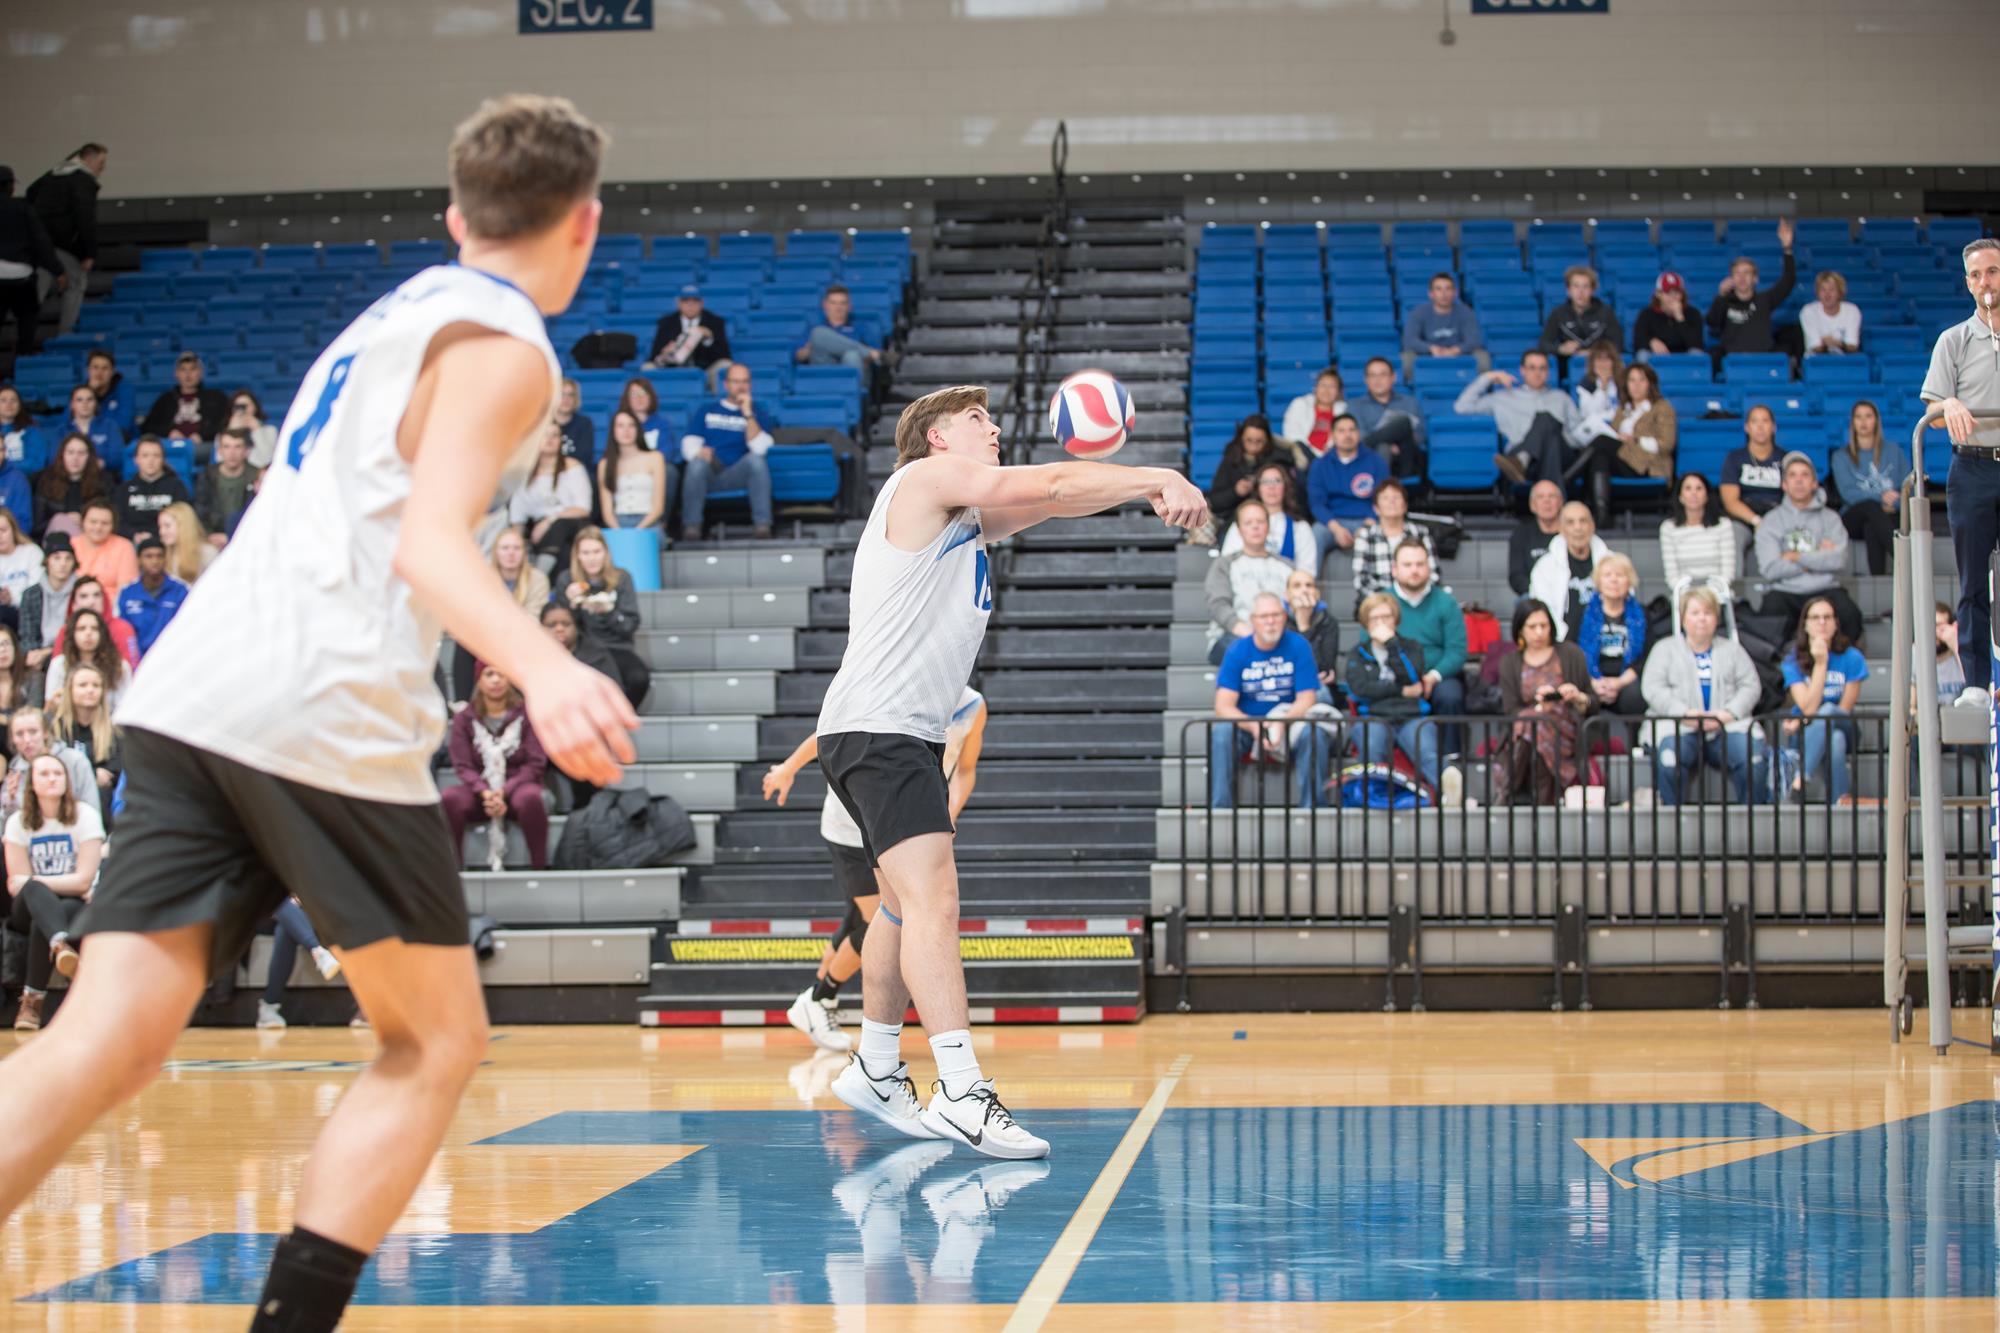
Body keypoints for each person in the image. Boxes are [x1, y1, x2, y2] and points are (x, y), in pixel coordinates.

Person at [0, 97, 639, 1333]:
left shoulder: (395, 311)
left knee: (108, 1043)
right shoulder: (505, 343)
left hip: (196, 692)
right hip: (321, 703)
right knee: (434, 1043)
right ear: (586, 224)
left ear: (457, 217)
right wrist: (546, 667)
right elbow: (427, 546)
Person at [815, 382, 1205, 1160]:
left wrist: (1128, 492)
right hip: (882, 728)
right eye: (977, 420)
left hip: (893, 731)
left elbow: (1057, 501)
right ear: (936, 440)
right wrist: (1159, 475)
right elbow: (1054, 481)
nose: (994, 429)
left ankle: (880, 1066)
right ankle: (961, 1090)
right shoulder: (923, 482)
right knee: (935, 900)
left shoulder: (962, 522)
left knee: (897, 907)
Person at [765, 686, 987, 1054]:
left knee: (862, 919)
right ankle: (820, 998)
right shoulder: (901, 681)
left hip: (905, 824)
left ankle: (818, 1003)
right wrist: (788, 767)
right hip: (849, 826)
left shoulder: (971, 706)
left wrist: (948, 817)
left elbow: (966, 771)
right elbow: (827, 731)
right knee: (882, 920)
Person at [1926, 237, 2000, 698]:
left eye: (1992, 271)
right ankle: (1976, 681)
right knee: (1973, 579)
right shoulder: (1953, 339)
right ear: (1967, 282)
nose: (1984, 282)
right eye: (1976, 275)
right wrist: (1949, 401)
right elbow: (1934, 409)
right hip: (1972, 469)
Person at [1642, 586, 1769, 805]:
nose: (1702, 618)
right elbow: (1652, 688)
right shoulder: (1664, 649)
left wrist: (1727, 714)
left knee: (1754, 759)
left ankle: (1752, 829)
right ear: (1683, 618)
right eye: (1695, 613)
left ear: (1716, 619)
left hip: (1728, 727)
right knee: (1669, 760)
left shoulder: (1734, 650)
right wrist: (1685, 713)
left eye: (1708, 613)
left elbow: (1751, 686)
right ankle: (1674, 828)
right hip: (1679, 727)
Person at [1207, 591, 1333, 810]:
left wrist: (1281, 722)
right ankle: (1221, 812)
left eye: (1276, 615)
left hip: (1291, 720)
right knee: (1221, 733)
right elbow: (1223, 706)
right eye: (1264, 616)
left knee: (1314, 734)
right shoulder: (1237, 650)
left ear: (1285, 617)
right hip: (1249, 724)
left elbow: (1307, 699)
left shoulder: (1299, 646)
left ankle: (1313, 811)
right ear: (1253, 620)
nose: (1270, 621)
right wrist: (1254, 726)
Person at [5, 753, 105, 1030]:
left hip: (70, 905)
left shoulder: (85, 815)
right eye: (44, 774)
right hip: (27, 908)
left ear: (67, 781)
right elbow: (17, 886)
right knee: (36, 892)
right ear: (31, 784)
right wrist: (39, 883)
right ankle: (61, 945)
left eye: (58, 774)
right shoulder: (18, 822)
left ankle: (31, 1004)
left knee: (49, 915)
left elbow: (85, 881)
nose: (52, 779)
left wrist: (33, 879)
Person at [443, 663, 550, 871]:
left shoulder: (526, 713)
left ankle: (540, 868)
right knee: (449, 799)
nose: (495, 680)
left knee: (531, 799)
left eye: (501, 674)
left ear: (510, 679)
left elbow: (535, 762)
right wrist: (485, 792)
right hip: (480, 791)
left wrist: (504, 791)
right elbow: (463, 765)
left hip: (517, 787)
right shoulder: (464, 718)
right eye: (489, 674)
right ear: (479, 680)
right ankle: (453, 872)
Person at [1756, 450, 1864, 645]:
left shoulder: (1831, 518)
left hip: (1825, 589)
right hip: (1785, 591)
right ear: (1784, 484)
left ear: (1814, 483)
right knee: (1768, 616)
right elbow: (1770, 569)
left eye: (1805, 475)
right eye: (1792, 475)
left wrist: (1794, 557)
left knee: (1850, 615)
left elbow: (1838, 560)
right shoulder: (1771, 521)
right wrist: (1818, 557)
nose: (1799, 481)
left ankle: (1839, 665)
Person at [1494, 599, 1595, 802]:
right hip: (1527, 731)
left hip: (1565, 727)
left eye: (1544, 625)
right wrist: (1540, 706)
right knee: (1534, 726)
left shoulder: (1570, 653)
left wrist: (1575, 696)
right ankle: (1543, 802)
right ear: (1520, 630)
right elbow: (1511, 709)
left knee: (1535, 726)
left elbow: (1592, 701)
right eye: (1532, 627)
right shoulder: (1510, 662)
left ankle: (1505, 794)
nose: (1539, 632)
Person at [1346, 591, 1441, 794]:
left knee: (1427, 752)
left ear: (1395, 620)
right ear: (1366, 623)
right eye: (1374, 618)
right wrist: (1400, 690)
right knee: (1372, 746)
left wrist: (1392, 645)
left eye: (1386, 617)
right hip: (1373, 716)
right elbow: (1361, 689)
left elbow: (1412, 676)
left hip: (1412, 716)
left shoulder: (1412, 647)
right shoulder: (1357, 653)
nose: (1380, 623)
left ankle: (1451, 796)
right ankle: (1372, 799)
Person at [1778, 596, 1866, 803]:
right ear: (1805, 625)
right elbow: (1807, 706)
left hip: (1843, 724)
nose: (1822, 622)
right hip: (1806, 733)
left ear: (1836, 623)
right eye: (1815, 617)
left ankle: (1801, 777)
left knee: (1829, 712)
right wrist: (1821, 663)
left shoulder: (1852, 657)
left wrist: (1806, 720)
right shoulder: (1792, 660)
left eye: (1828, 617)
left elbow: (1843, 709)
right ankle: (1840, 803)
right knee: (1835, 740)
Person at [1455, 349, 1585, 486]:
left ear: (1548, 371)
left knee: (1546, 420)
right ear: (1522, 370)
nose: (1537, 373)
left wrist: (1556, 436)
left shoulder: (1562, 398)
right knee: (1546, 424)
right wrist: (1489, 377)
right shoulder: (1503, 397)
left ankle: (1522, 460)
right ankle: (1553, 496)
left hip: (1558, 456)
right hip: (1527, 460)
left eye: (1542, 368)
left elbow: (1578, 435)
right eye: (1532, 368)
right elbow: (1462, 407)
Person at [680, 362, 778, 541]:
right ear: (726, 385)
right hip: (709, 472)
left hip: (739, 474)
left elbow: (761, 448)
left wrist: (747, 413)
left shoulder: (758, 412)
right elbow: (688, 446)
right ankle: (692, 526)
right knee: (696, 464)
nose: (741, 386)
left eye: (745, 382)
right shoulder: (707, 410)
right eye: (736, 381)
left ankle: (763, 525)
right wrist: (699, 452)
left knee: (756, 461)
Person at [561, 525, 649, 707]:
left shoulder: (622, 578)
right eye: (586, 552)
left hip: (617, 646)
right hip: (582, 647)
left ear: (606, 552)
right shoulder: (567, 580)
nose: (592, 558)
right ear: (577, 555)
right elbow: (562, 628)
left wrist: (608, 611)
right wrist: (570, 604)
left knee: (638, 679)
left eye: (596, 551)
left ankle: (616, 719)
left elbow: (630, 625)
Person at [25, 144, 104, 340]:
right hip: (65, 243)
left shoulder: (54, 173)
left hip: (41, 241)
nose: (102, 168)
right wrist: (89, 253)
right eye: (101, 163)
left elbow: (30, 191)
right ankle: (65, 335)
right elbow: (86, 218)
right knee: (76, 284)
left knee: (38, 289)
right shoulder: (83, 181)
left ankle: (25, 336)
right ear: (89, 159)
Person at [1204, 499, 1297, 663]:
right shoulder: (1224, 565)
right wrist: (1250, 634)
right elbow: (1218, 605)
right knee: (1243, 652)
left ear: (1268, 527)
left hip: (1277, 635)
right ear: (1239, 530)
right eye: (1248, 523)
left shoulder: (1287, 567)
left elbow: (1296, 608)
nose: (1255, 526)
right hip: (1234, 636)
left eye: (1260, 521)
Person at [1388, 538, 1468, 726]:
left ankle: (1452, 755)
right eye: (1407, 564)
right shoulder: (1382, 603)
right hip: (1394, 678)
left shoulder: (1446, 602)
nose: (1414, 570)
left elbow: (1457, 652)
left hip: (1438, 676)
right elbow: (1368, 648)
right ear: (1394, 569)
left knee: (1451, 696)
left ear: (1429, 568)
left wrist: (1432, 677)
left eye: (1420, 564)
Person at [1828, 400, 1910, 577]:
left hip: (1888, 516)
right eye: (1858, 417)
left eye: (1868, 416)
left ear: (1876, 421)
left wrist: (1893, 505)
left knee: (1872, 525)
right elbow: (1849, 494)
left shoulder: (1894, 451)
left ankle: (1877, 579)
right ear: (1852, 422)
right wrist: (1881, 498)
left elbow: (1907, 489)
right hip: (1852, 518)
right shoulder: (1840, 456)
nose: (1863, 422)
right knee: (1870, 507)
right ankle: (1906, 562)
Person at [1706, 219, 1798, 368]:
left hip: (1763, 359)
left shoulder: (1765, 300)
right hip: (1732, 361)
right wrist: (1721, 296)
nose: (1742, 277)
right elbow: (1712, 322)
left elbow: (1788, 280)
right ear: (1731, 277)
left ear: (1755, 278)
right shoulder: (1724, 300)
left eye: (1747, 273)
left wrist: (1787, 248)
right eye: (1737, 273)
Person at [1574, 554, 1648, 722]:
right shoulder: (1583, 613)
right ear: (1598, 582)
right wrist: (1592, 681)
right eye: (1607, 575)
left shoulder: (1642, 614)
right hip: (1591, 679)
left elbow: (1647, 657)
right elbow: (1572, 651)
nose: (1614, 580)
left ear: (1629, 581)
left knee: (1635, 696)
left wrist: (1619, 683)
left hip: (1627, 680)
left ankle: (1635, 747)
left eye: (1620, 575)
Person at [508, 420, 591, 570]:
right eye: (545, 435)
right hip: (537, 531)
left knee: (560, 526)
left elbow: (583, 508)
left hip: (570, 524)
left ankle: (540, 573)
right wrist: (517, 546)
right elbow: (517, 518)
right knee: (565, 553)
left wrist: (549, 521)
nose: (550, 439)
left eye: (555, 435)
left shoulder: (572, 466)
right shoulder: (525, 472)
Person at [255, 898, 346, 1031]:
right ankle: (318, 951)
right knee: (279, 900)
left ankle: (269, 1006)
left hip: (307, 913)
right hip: (269, 913)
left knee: (285, 929)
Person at [1527, 502, 1613, 642]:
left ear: (1592, 526)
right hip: (1563, 641)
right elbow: (1544, 611)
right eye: (1570, 522)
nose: (1578, 527)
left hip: (1607, 638)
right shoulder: (1544, 567)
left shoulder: (1611, 561)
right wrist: (1563, 642)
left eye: (1583, 521)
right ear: (1561, 528)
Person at [1306, 414, 1388, 554]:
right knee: (1316, 534)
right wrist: (1337, 529)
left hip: (1368, 520)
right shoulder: (1320, 465)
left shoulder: (1376, 461)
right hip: (1333, 522)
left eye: (1352, 430)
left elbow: (1384, 497)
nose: (1347, 435)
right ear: (1332, 435)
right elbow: (1317, 504)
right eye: (1341, 431)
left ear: (1359, 433)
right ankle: (1311, 577)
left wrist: (1367, 526)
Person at [1, 707, 99, 823]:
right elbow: (6, 829)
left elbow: (93, 811)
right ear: (12, 739)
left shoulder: (75, 761)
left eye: (33, 732)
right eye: (19, 734)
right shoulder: (14, 770)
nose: (27, 739)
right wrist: (10, 803)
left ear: (46, 732)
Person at [1348, 479, 1435, 608]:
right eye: (1385, 498)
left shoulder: (1420, 533)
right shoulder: (1365, 536)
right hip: (1378, 604)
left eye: (1396, 497)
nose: (1391, 502)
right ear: (1376, 509)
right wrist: (1388, 602)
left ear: (1405, 506)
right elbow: (1361, 581)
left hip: (1418, 602)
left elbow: (1433, 573)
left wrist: (1411, 597)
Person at [0, 164, 58, 356]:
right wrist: (57, 269)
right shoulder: (22, 208)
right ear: (10, 186)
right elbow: (41, 240)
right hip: (21, 274)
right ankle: (23, 360)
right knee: (27, 319)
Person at [1220, 461, 1317, 575]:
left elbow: (1307, 573)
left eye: (1277, 481)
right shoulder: (1240, 524)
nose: (1272, 487)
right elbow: (1227, 565)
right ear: (1258, 488)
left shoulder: (1300, 527)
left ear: (1285, 487)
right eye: (1266, 482)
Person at [1207, 414, 1297, 524]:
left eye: (1259, 441)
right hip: (1237, 520)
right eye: (1249, 440)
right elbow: (1215, 501)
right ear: (1241, 438)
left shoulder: (1280, 461)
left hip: (1276, 518)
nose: (1253, 446)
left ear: (1268, 441)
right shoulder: (1231, 459)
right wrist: (1236, 492)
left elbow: (1293, 499)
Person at [50, 662, 119, 805]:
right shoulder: (54, 727)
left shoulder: (115, 731)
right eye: (83, 685)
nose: (90, 690)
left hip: (103, 803)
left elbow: (113, 774)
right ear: (70, 690)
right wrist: (93, 775)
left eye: (96, 685)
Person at [1351, 356, 1428, 481]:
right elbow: (1360, 436)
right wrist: (1388, 442)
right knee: (1383, 446)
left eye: (1383, 375)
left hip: (1405, 456)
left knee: (1404, 424)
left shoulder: (1410, 402)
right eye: (1372, 375)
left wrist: (1400, 441)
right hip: (1371, 457)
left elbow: (1420, 434)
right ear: (1366, 380)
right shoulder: (1355, 405)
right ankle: (1383, 488)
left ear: (1393, 377)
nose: (1378, 380)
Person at [1400, 273, 1490, 382]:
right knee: (1406, 358)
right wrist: (1431, 348)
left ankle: (1480, 390)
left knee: (1482, 357)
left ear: (1455, 293)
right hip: (1428, 354)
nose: (1443, 294)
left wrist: (1456, 350)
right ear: (1431, 294)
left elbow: (1474, 340)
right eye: (1438, 289)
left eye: (1448, 289)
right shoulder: (1418, 312)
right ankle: (1414, 389)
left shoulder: (1465, 312)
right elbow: (1409, 341)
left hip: (1458, 354)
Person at [1718, 404, 1785, 548]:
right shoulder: (1734, 458)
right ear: (1746, 427)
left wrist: (1771, 522)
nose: (1760, 427)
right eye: (1754, 421)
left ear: (1774, 427)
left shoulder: (1785, 459)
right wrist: (1756, 521)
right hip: (1744, 519)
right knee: (1732, 537)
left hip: (1778, 517)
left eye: (1765, 421)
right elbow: (1730, 501)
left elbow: (1793, 498)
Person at [598, 406, 672, 534]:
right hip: (618, 523)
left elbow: (658, 508)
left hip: (649, 522)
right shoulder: (604, 464)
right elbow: (607, 512)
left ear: (638, 429)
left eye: (631, 425)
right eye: (620, 426)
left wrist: (637, 532)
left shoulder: (655, 458)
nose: (626, 430)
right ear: (613, 431)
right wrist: (620, 533)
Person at [648, 284, 733, 389]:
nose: (690, 305)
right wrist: (664, 354)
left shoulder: (715, 322)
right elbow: (654, 356)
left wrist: (709, 339)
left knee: (726, 365)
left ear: (702, 303)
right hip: (673, 369)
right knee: (648, 368)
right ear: (678, 303)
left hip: (705, 370)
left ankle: (718, 402)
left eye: (695, 301)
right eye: (686, 301)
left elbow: (725, 356)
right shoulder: (666, 323)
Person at [45, 607, 129, 711]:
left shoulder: (120, 666)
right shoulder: (59, 664)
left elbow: (126, 707)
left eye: (95, 628)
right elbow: (50, 705)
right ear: (72, 634)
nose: (88, 633)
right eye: (81, 628)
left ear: (103, 634)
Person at [139, 352, 231, 446]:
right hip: (171, 447)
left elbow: (226, 423)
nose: (188, 374)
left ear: (200, 372)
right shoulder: (165, 400)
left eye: (193, 369)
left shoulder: (216, 398)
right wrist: (168, 433)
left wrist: (203, 436)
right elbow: (148, 427)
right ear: (176, 374)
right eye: (183, 369)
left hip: (204, 447)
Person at [115, 536, 187, 656]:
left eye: (159, 556)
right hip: (137, 662)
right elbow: (122, 632)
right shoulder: (127, 593)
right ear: (139, 560)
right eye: (148, 556)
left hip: (173, 657)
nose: (155, 561)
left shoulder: (180, 590)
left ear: (165, 559)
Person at [17, 532, 74, 681]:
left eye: (68, 558)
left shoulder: (80, 591)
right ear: (47, 561)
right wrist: (32, 653)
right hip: (37, 653)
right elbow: (26, 633)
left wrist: (47, 653)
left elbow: (75, 635)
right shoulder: (31, 594)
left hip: (69, 652)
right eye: (57, 558)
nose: (63, 563)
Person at [795, 283, 887, 375]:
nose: (838, 308)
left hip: (853, 374)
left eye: (843, 303)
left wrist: (865, 356)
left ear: (849, 307)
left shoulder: (860, 327)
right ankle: (866, 352)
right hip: (824, 373)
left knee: (852, 355)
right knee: (818, 333)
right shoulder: (814, 327)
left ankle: (850, 387)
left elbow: (876, 352)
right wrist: (808, 350)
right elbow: (798, 356)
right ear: (825, 305)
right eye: (833, 303)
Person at [1540, 265, 1622, 365]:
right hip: (1567, 366)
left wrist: (1595, 353)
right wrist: (1561, 348)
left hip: (1600, 364)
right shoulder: (1558, 313)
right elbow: (1544, 344)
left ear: (1593, 290)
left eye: (1585, 286)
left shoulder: (1606, 312)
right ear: (1568, 290)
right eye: (1576, 286)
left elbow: (1617, 344)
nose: (1580, 291)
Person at [115, 435, 192, 541]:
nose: (151, 460)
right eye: (145, 455)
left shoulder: (176, 487)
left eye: (156, 455)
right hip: (132, 541)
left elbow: (183, 519)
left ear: (163, 459)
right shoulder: (124, 489)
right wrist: (134, 535)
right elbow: (118, 521)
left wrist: (155, 536)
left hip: (167, 540)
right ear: (136, 460)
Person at [56, 575, 140, 670]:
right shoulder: (65, 631)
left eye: (96, 595)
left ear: (104, 600)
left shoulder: (122, 629)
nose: (91, 601)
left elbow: (132, 668)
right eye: (84, 596)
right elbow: (57, 669)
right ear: (73, 605)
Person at [193, 426, 261, 542]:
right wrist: (209, 535)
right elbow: (200, 512)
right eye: (227, 447)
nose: (232, 453)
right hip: (213, 539)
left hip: (249, 539)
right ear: (219, 450)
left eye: (237, 447)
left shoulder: (257, 476)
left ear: (246, 451)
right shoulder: (207, 476)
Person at [31, 433, 106, 538]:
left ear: (89, 457)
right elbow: (37, 526)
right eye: (70, 452)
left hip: (90, 539)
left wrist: (85, 521)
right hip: (54, 544)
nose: (75, 458)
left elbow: (108, 521)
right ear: (62, 455)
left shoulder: (101, 482)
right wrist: (65, 521)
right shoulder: (47, 481)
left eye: (81, 453)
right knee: (60, 519)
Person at [1285, 567, 1341, 703]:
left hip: (1318, 689)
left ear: (1316, 594)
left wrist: (1304, 627)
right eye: (1297, 586)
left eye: (1309, 585)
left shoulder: (1328, 622)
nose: (1304, 590)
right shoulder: (1278, 621)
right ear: (1287, 595)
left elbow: (1323, 670)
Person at [70, 499, 137, 600]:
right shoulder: (71, 545)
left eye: (105, 523)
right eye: (93, 522)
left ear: (113, 526)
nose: (98, 527)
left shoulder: (124, 547)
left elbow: (125, 591)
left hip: (111, 608)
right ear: (82, 522)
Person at [1508, 479, 1564, 598]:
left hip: (1567, 594)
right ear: (1532, 505)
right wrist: (1540, 590)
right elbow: (1516, 576)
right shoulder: (1521, 534)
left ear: (1560, 502)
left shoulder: (1571, 532)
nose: (1547, 501)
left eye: (1552, 496)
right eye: (1540, 497)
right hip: (1534, 594)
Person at [1630, 272, 1705, 359]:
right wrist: (1651, 342)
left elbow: (1696, 344)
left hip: (1683, 358)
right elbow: (1638, 340)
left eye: (1677, 292)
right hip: (1656, 357)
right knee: (1642, 354)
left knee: (1697, 354)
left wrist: (1680, 318)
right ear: (1658, 294)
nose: (1673, 297)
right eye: (1668, 292)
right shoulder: (1647, 314)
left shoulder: (1693, 313)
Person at [1279, 368, 1346, 460]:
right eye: (1323, 385)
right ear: (1316, 388)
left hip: (1331, 457)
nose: (1326, 390)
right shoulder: (1300, 404)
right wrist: (1314, 453)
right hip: (1303, 456)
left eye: (1332, 386)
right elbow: (1292, 435)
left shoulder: (1344, 410)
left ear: (1338, 392)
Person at [64, 384, 126, 479]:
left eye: (89, 399)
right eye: (79, 400)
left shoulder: (110, 426)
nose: (85, 403)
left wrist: (102, 463)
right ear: (72, 405)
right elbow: (54, 460)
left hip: (103, 479)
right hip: (69, 480)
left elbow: (118, 458)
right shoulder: (62, 430)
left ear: (96, 403)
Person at [1800, 270, 1862, 357]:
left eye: (1831, 290)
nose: (1827, 294)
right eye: (1823, 290)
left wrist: (1828, 343)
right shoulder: (1808, 311)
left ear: (1840, 292)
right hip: (1816, 362)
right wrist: (1838, 344)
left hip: (1846, 361)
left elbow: (1852, 346)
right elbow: (1815, 347)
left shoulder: (1852, 311)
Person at [0, 509, 43, 628]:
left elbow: (38, 592)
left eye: (3, 530)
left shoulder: (32, 552)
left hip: (28, 614)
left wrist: (11, 599)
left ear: (13, 530)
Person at [0, 385, 52, 480]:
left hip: (23, 482)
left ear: (20, 405)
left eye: (13, 400)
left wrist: (5, 465)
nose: (9, 404)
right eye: (3, 400)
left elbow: (37, 464)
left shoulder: (32, 431)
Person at [156, 502, 214, 584]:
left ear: (184, 526)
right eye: (160, 527)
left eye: (167, 526)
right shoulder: (165, 553)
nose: (161, 532)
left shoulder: (207, 552)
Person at [85, 350, 136, 440]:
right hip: (88, 443)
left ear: (112, 372)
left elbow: (123, 424)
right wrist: (90, 391)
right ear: (88, 370)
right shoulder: (82, 391)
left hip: (120, 441)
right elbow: (67, 422)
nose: (99, 372)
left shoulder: (124, 389)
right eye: (95, 367)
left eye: (105, 368)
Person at [228, 389, 281, 471]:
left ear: (255, 407)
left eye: (246, 406)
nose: (243, 410)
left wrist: (257, 430)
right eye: (238, 407)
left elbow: (269, 459)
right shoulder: (224, 434)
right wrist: (232, 432)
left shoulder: (270, 430)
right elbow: (221, 462)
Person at [552, 377, 597, 469]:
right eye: (562, 395)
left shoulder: (584, 424)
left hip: (575, 473)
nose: (566, 399)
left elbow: (584, 457)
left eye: (570, 395)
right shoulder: (545, 424)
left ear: (575, 399)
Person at [618, 377, 670, 449]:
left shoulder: (662, 424)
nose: (639, 398)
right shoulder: (619, 424)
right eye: (634, 394)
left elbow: (665, 455)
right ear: (627, 398)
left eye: (643, 393)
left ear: (650, 397)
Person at [1932, 601, 1968, 707]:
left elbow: (1972, 683)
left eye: (1941, 627)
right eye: (1934, 625)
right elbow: (1912, 706)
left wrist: (1954, 644)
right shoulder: (1917, 656)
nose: (1937, 632)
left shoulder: (1958, 655)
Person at [0, 625, 30, 738]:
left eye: (6, 644)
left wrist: (4, 720)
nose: (2, 650)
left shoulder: (33, 679)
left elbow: (35, 715)